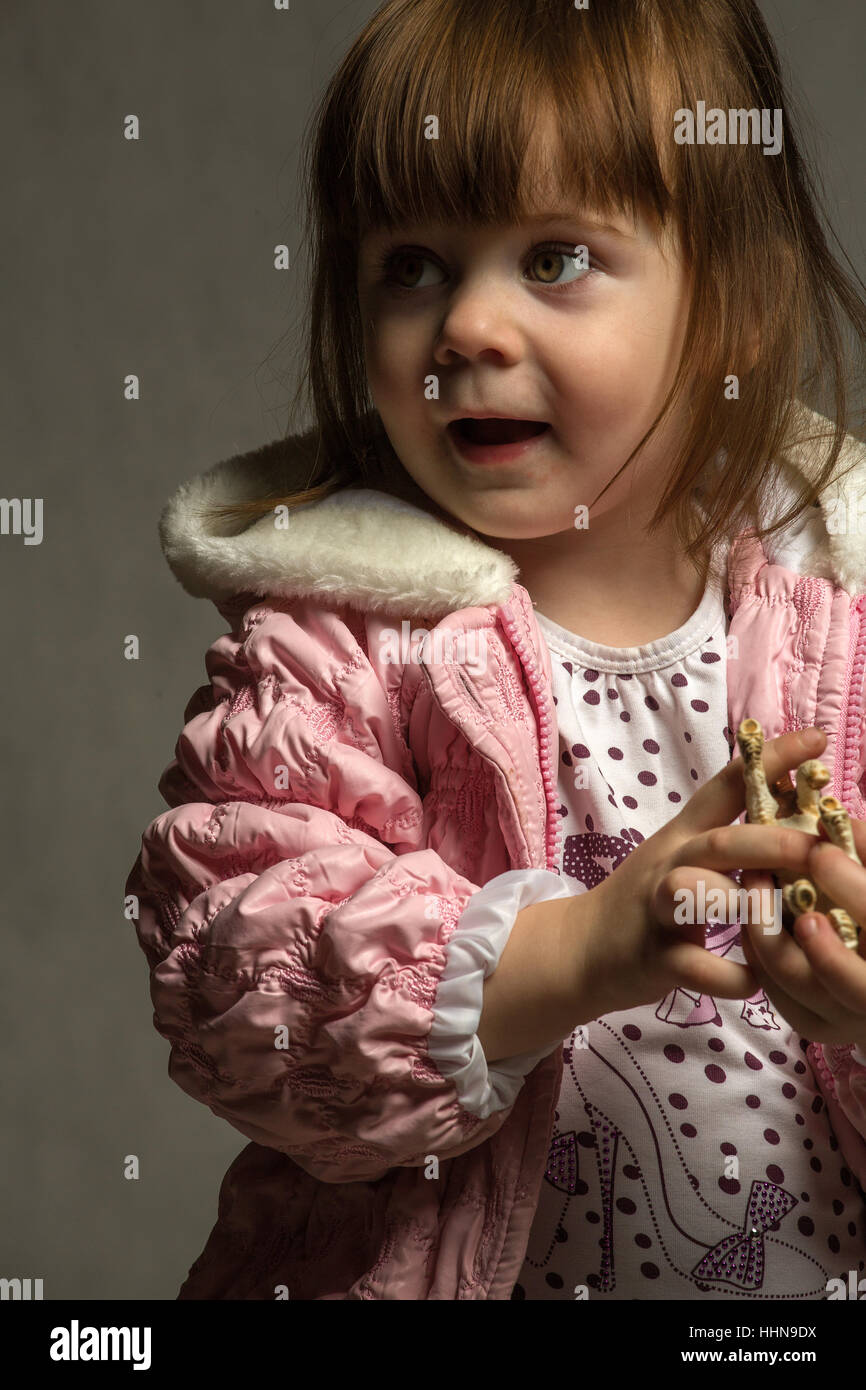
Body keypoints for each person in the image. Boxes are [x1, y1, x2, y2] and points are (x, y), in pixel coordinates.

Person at [126, 0, 866, 1299]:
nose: (466, 324)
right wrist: (574, 952)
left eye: (553, 258)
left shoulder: (840, 621)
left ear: (731, 302)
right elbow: (234, 982)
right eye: (411, 263)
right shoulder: (339, 637)